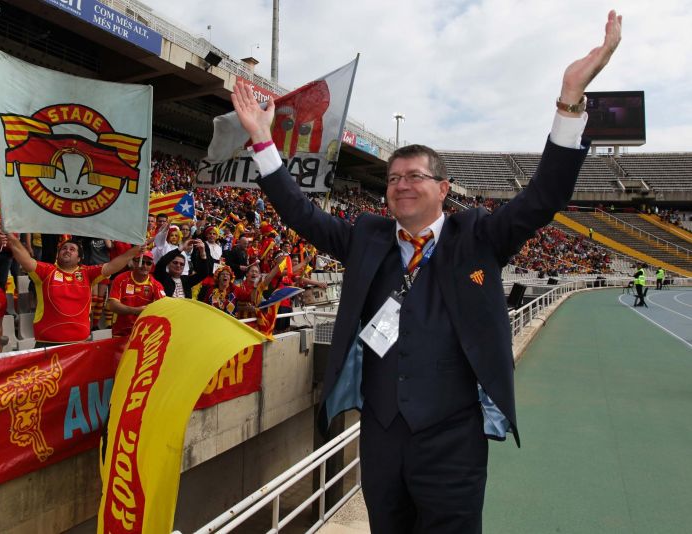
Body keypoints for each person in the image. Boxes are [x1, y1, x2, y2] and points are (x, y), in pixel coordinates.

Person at [230, 10, 620, 532]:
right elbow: (302, 214)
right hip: (381, 437)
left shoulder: (478, 237)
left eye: (415, 176)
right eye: (393, 178)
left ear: (443, 188)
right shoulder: (366, 237)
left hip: (454, 441)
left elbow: (544, 196)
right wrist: (262, 141)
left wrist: (570, 100)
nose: (401, 184)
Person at [6, 233, 142, 346]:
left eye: (72, 249)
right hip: (47, 343)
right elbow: (25, 259)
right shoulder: (46, 271)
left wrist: (135, 250)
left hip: (79, 346)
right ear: (58, 254)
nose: (67, 250)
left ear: (79, 258)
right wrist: (11, 237)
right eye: (64, 248)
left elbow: (113, 265)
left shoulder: (87, 273)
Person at [106, 251, 166, 337]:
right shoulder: (121, 279)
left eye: (148, 263)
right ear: (134, 262)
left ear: (152, 266)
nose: (144, 266)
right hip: (120, 332)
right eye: (141, 261)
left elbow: (163, 307)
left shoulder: (156, 285)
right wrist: (135, 311)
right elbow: (112, 305)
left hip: (143, 333)